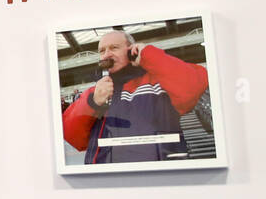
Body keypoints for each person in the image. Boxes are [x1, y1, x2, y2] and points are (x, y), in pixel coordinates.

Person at [62, 29, 208, 164]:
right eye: (102, 51)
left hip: (157, 174)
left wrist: (148, 55)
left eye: (114, 48)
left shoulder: (157, 82)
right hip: (105, 177)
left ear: (132, 50)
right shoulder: (95, 93)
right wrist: (92, 103)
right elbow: (72, 136)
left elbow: (192, 87)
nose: (106, 55)